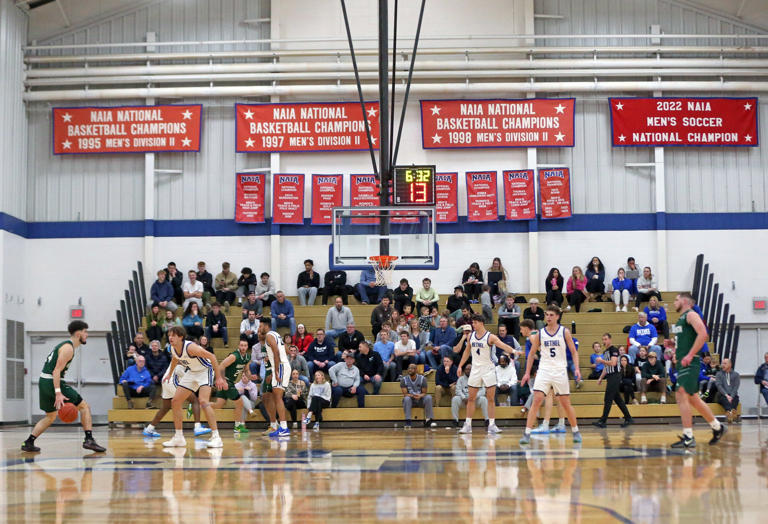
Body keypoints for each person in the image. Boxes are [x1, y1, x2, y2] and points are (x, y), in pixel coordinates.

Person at [666, 292, 726, 449]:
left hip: (690, 363)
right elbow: (687, 338)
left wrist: (690, 355)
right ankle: (717, 427)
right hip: (683, 363)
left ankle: (688, 437)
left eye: (676, 300)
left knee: (681, 395)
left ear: (685, 301)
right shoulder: (682, 318)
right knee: (694, 399)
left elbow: (703, 334)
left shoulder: (691, 314)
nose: (674, 303)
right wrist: (673, 344)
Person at [519, 305, 582, 445]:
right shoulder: (540, 333)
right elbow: (530, 355)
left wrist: (577, 368)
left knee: (565, 403)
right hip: (544, 370)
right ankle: (526, 434)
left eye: (551, 315)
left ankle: (576, 430)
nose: (548, 317)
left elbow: (574, 352)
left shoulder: (564, 332)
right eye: (547, 314)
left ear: (557, 316)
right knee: (536, 399)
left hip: (560, 370)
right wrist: (527, 373)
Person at [161, 326, 227, 448]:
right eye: (169, 335)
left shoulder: (191, 347)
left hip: (205, 370)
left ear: (180, 337)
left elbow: (212, 357)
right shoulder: (173, 348)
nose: (170, 338)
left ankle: (216, 437)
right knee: (175, 401)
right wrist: (169, 374)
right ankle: (179, 437)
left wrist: (218, 378)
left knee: (203, 401)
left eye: (173, 335)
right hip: (192, 372)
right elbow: (175, 359)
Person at [456, 314, 518, 434]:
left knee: (490, 399)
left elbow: (503, 345)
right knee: (471, 398)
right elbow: (466, 352)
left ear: (481, 323)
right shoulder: (471, 336)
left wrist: (514, 351)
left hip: (488, 369)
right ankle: (468, 425)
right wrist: (460, 366)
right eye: (472, 323)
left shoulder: (491, 337)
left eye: (475, 323)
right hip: (475, 369)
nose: (473, 325)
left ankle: (492, 425)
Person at [259, 322, 292, 437]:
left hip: (280, 367)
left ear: (266, 326)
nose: (259, 328)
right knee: (276, 397)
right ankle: (281, 427)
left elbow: (276, 352)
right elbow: (285, 349)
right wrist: (290, 353)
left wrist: (276, 371)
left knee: (278, 397)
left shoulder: (269, 335)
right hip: (282, 366)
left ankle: (283, 428)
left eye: (260, 326)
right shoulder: (276, 334)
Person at [592, 341, 634, 428]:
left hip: (615, 376)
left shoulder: (614, 350)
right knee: (617, 399)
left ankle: (603, 421)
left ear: (610, 340)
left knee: (608, 398)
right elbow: (606, 367)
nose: (604, 341)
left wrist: (601, 360)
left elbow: (613, 363)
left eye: (606, 339)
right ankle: (629, 418)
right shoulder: (605, 352)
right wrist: (600, 378)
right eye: (603, 339)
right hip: (610, 376)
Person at [213, 339, 251, 434]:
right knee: (240, 403)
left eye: (245, 345)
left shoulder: (247, 357)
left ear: (247, 347)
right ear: (238, 346)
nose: (243, 347)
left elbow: (246, 370)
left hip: (229, 382)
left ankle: (201, 405)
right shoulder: (234, 356)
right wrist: (223, 381)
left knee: (219, 405)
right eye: (241, 345)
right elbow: (221, 366)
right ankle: (238, 426)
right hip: (227, 381)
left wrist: (250, 376)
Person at [451, 363, 489, 427]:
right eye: (467, 369)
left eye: (470, 369)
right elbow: (458, 390)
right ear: (464, 370)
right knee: (455, 399)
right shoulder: (461, 379)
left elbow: (482, 391)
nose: (468, 371)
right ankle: (455, 420)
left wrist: (473, 398)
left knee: (484, 399)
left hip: (475, 401)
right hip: (464, 401)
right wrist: (464, 398)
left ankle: (487, 420)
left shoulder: (479, 379)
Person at [400, 363, 437, 428]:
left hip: (420, 399)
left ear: (416, 370)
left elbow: (424, 392)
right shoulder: (404, 380)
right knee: (406, 398)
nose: (410, 370)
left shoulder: (423, 379)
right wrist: (412, 395)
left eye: (412, 368)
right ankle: (408, 421)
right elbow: (405, 394)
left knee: (428, 397)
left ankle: (429, 420)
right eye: (409, 368)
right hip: (410, 400)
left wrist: (420, 396)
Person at [714, 358, 740, 423]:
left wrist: (731, 396)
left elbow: (736, 387)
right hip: (722, 395)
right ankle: (732, 411)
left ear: (730, 364)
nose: (723, 365)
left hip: (732, 395)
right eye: (722, 363)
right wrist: (726, 395)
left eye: (725, 363)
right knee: (724, 398)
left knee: (735, 398)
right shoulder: (719, 374)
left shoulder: (736, 375)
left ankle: (729, 413)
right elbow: (719, 386)